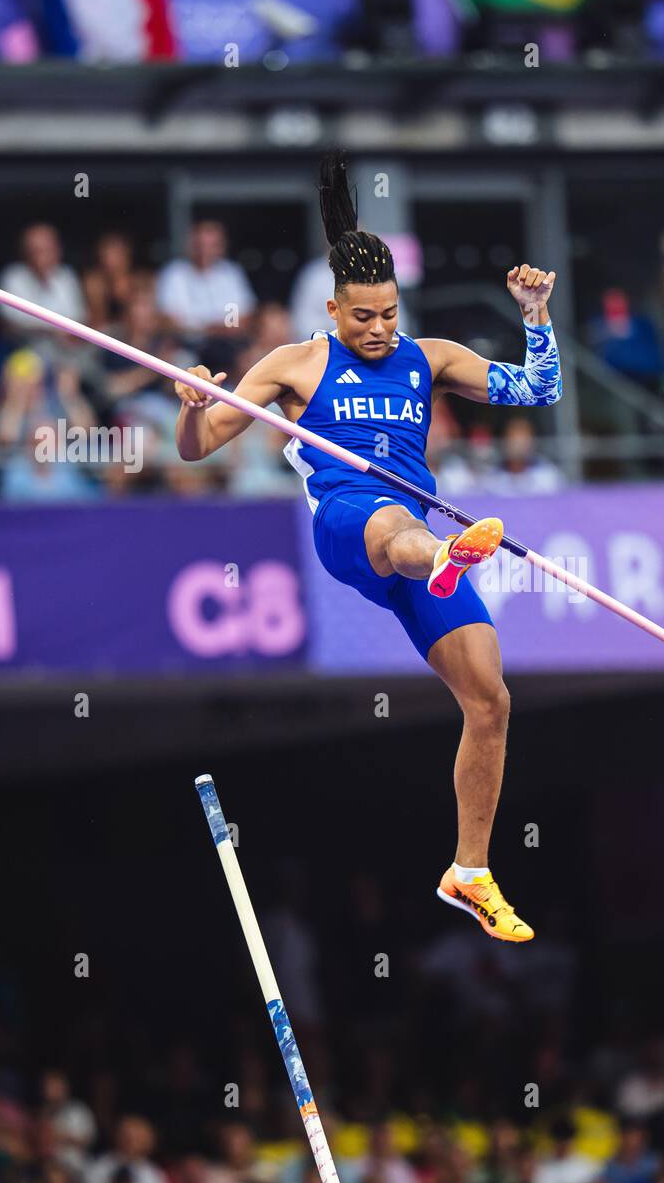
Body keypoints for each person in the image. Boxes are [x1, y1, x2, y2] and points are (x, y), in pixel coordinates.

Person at [173, 153, 562, 943]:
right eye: (363, 317)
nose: (379, 329)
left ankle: (470, 873)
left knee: (489, 701)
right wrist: (189, 404)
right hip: (352, 521)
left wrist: (534, 317)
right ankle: (446, 560)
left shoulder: (431, 358)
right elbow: (199, 444)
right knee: (397, 526)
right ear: (332, 307)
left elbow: (539, 389)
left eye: (388, 313)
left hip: (424, 540)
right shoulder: (296, 364)